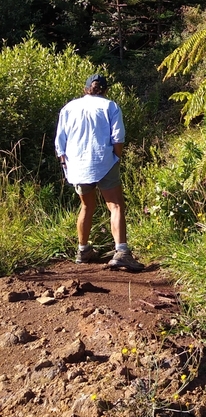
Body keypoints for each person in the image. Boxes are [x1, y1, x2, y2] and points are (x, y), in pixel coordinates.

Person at [55, 73, 143, 272]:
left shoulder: (69, 108)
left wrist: (65, 163)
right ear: (105, 90)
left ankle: (83, 250)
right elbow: (118, 136)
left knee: (87, 206)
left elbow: (60, 141)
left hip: (76, 163)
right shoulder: (110, 106)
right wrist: (116, 157)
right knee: (115, 205)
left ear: (86, 89)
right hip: (104, 160)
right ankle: (121, 252)